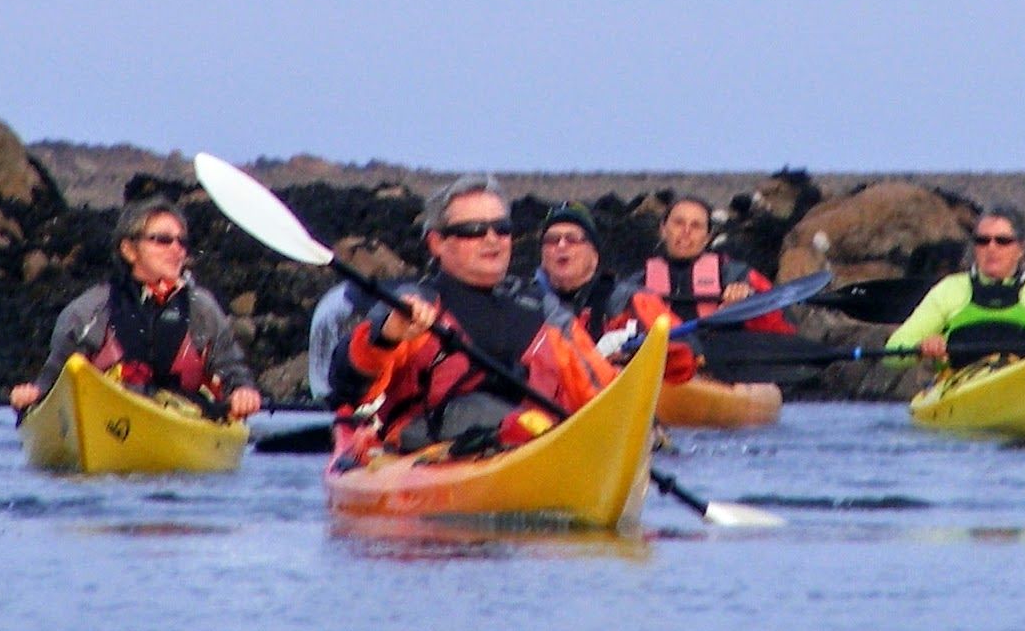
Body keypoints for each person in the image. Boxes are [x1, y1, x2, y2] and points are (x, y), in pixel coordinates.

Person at [339, 176, 614, 456]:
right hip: (428, 456)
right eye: (473, 230)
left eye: (502, 228)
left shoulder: (544, 311)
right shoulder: (415, 307)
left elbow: (604, 397)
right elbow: (348, 389)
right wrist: (387, 337)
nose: (492, 239)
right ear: (437, 243)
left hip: (534, 446)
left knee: (532, 422)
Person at [9, 197, 262, 419]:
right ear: (129, 250)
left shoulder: (203, 310)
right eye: (162, 240)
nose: (177, 249)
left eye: (181, 242)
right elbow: (51, 381)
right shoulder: (88, 312)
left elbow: (234, 373)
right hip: (106, 421)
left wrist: (243, 394)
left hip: (183, 420)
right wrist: (32, 395)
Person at [883, 207, 1025, 368]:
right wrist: (922, 347)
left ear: (1021, 248)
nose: (991, 248)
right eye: (982, 241)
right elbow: (891, 354)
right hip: (960, 388)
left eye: (1002, 241)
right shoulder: (949, 291)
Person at [531, 203, 700, 385]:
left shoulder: (630, 301)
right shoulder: (526, 303)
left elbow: (686, 357)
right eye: (552, 240)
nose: (561, 245)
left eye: (572, 239)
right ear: (542, 255)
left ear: (594, 257)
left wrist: (638, 354)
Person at [640, 196, 795, 334]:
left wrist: (745, 308)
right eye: (678, 223)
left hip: (719, 360)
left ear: (708, 237)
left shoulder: (740, 276)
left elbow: (784, 329)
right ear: (663, 230)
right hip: (661, 361)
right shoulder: (636, 283)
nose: (686, 231)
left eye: (696, 226)